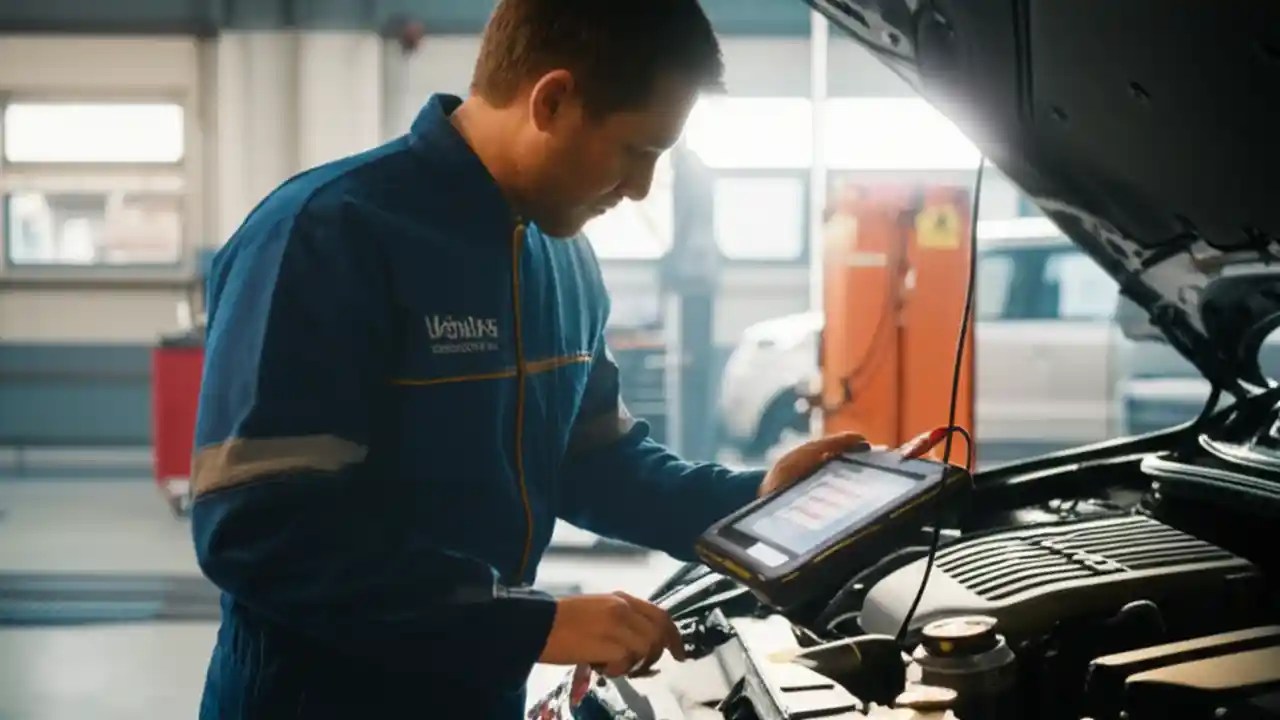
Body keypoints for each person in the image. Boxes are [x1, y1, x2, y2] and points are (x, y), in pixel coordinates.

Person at [190, 0, 867, 717]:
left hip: (476, 693)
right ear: (552, 100)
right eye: (638, 152)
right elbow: (259, 528)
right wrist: (530, 622)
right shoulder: (328, 234)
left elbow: (597, 466)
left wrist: (757, 502)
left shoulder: (564, 259)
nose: (639, 188)